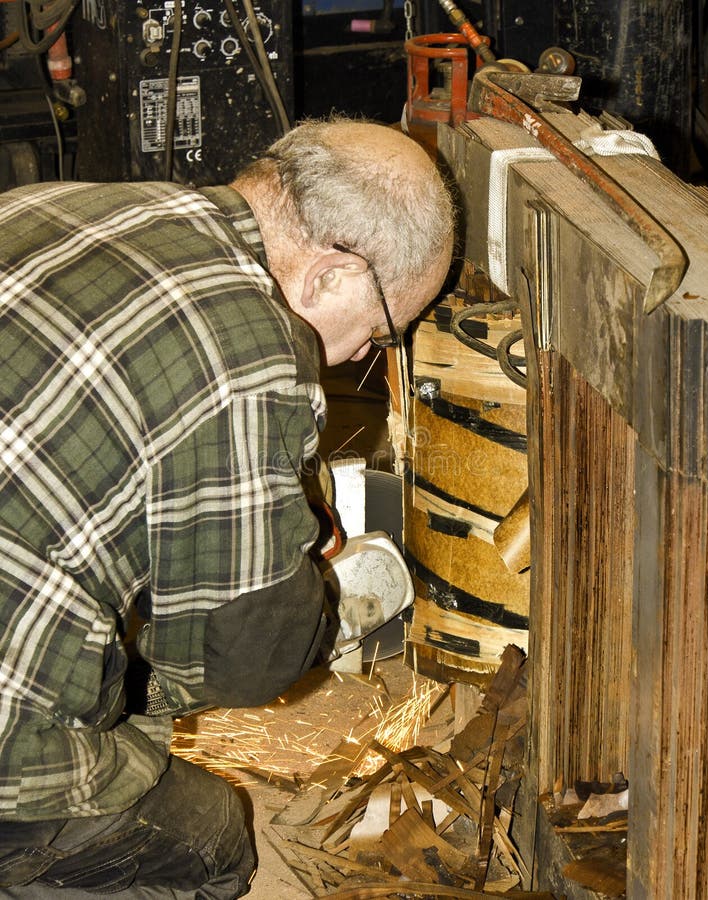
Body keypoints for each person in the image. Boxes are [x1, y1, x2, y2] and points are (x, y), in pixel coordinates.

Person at [0, 117, 454, 897]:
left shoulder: (47, 205)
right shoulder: (250, 357)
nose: (357, 357)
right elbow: (235, 666)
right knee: (211, 843)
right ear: (331, 275)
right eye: (380, 333)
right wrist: (307, 601)